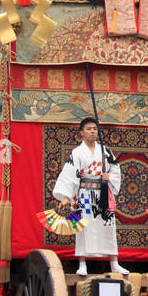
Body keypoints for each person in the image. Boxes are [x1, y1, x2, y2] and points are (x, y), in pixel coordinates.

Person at [52, 116, 127, 276]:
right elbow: (70, 174)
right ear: (82, 133)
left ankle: (114, 262)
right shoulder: (77, 153)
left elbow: (115, 169)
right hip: (85, 193)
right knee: (83, 227)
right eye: (89, 129)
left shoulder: (105, 151)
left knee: (108, 226)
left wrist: (109, 177)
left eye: (94, 129)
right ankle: (82, 263)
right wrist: (66, 197)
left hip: (103, 193)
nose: (92, 132)